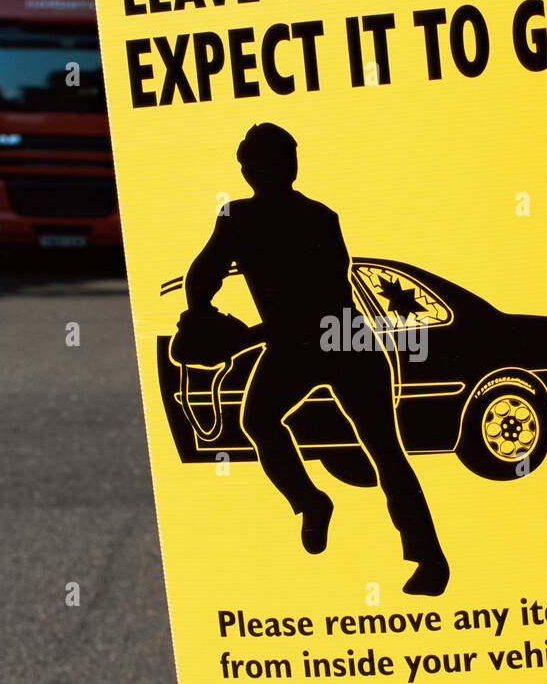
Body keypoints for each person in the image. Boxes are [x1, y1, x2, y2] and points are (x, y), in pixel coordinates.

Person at [185, 122, 449, 596]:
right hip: (304, 345)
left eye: (279, 160)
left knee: (385, 450)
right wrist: (200, 310)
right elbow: (203, 274)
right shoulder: (240, 218)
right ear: (254, 169)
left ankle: (430, 558)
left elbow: (321, 303)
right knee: (261, 421)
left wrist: (241, 335)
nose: (273, 169)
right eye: (270, 161)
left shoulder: (311, 218)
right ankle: (311, 502)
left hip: (342, 340)